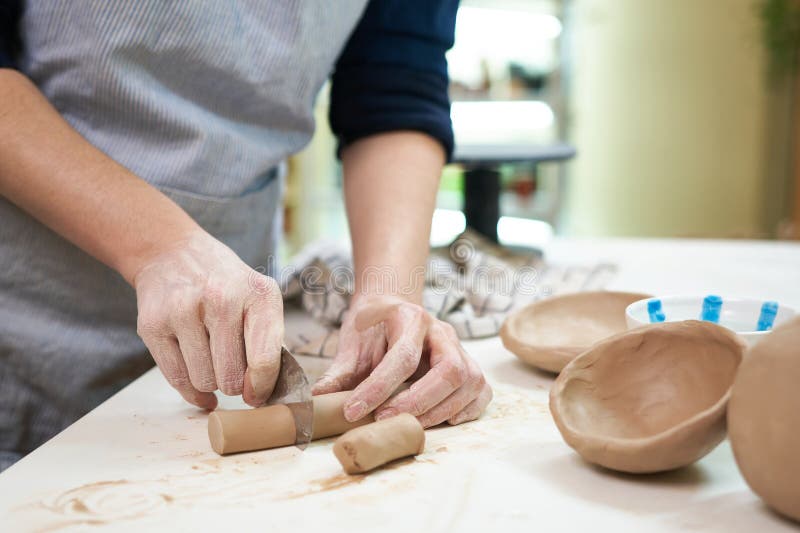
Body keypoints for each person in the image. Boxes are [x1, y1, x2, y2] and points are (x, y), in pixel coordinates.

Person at [0, 1, 492, 471]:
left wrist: (387, 294)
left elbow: (394, 92)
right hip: (32, 321)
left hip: (235, 320)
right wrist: (159, 246)